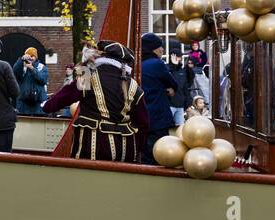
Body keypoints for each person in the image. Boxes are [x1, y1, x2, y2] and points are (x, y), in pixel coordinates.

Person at [43, 41, 150, 162]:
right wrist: (137, 148)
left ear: (101, 57)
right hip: (125, 150)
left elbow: (64, 97)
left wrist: (46, 106)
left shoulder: (87, 75)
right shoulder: (135, 86)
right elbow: (143, 124)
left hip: (93, 146)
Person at [139, 33, 177, 164]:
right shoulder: (156, 64)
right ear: (152, 49)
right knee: (159, 155)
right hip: (157, 118)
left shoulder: (136, 65)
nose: (162, 49)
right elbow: (173, 83)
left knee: (144, 155)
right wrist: (169, 89)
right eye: (159, 47)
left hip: (140, 117)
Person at [13, 47, 49, 115]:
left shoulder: (42, 67)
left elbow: (43, 80)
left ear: (36, 57)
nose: (30, 58)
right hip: (23, 105)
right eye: (28, 56)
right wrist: (21, 60)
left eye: (32, 56)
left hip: (38, 105)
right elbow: (15, 71)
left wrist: (32, 69)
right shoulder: (22, 67)